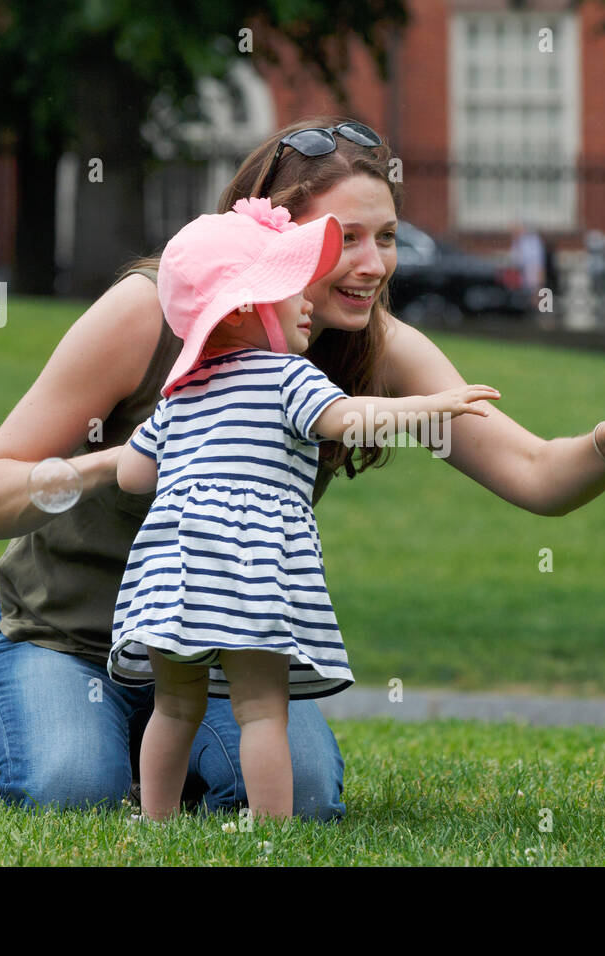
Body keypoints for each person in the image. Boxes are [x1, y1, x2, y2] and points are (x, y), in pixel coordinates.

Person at [0, 117, 605, 818]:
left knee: (306, 794)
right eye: (347, 240)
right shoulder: (147, 316)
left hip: (222, 644)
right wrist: (122, 461)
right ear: (279, 242)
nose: (374, 265)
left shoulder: (368, 346)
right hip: (65, 638)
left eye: (387, 238)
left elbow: (537, 473)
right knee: (67, 792)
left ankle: (145, 762)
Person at [113, 196, 499, 820]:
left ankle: (155, 823)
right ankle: (271, 832)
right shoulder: (286, 377)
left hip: (173, 579)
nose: (307, 302)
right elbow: (349, 416)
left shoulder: (181, 396)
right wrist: (428, 406)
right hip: (248, 577)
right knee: (261, 710)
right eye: (291, 289)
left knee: (175, 706)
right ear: (242, 309)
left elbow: (133, 475)